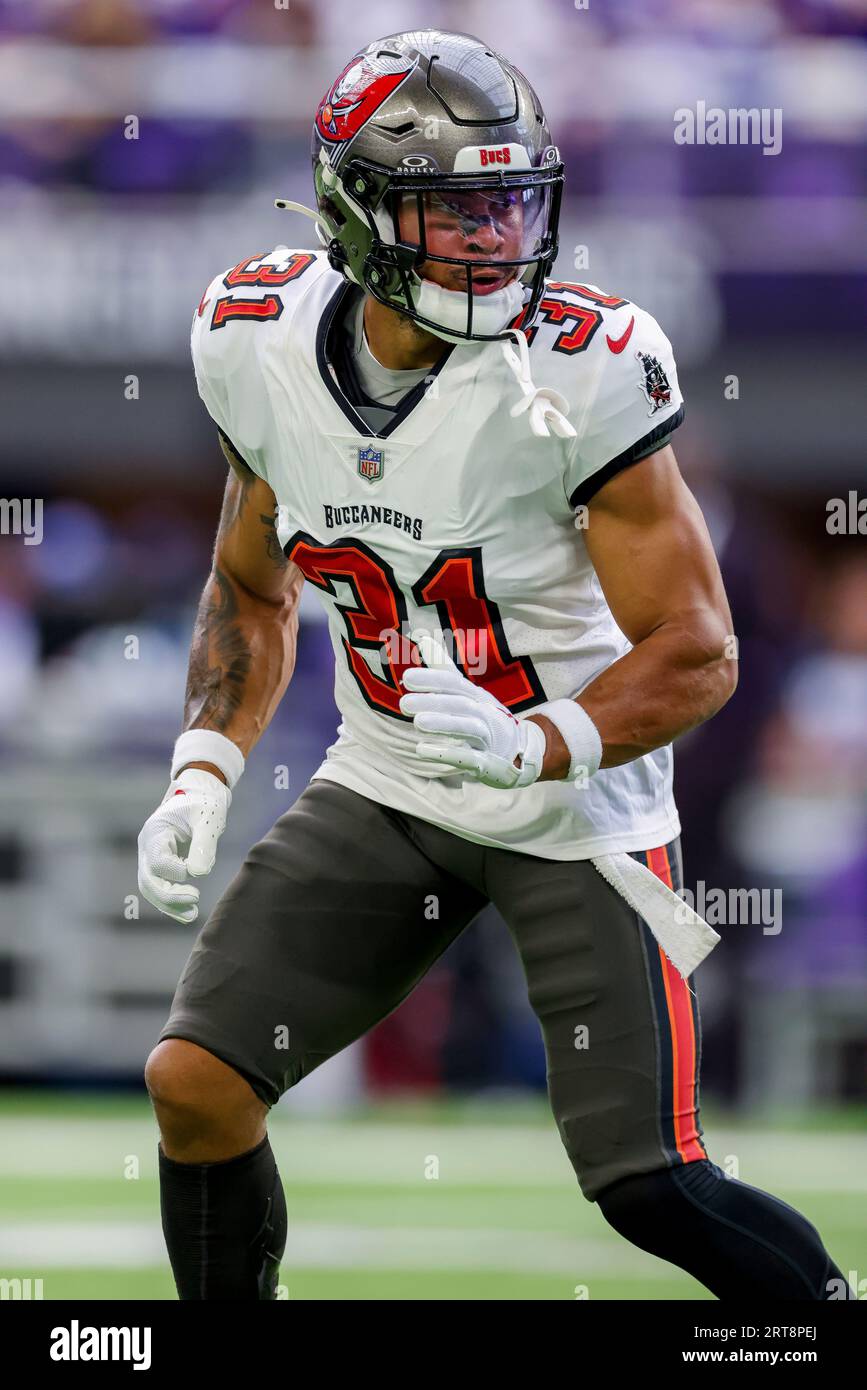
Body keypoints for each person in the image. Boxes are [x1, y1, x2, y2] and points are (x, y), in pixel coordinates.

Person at [138, 29, 852, 1300]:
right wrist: (201, 767)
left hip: (576, 805)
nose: (493, 237)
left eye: (510, 201)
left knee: (654, 1184)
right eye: (452, 208)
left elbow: (699, 648)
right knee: (196, 1082)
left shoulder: (581, 365)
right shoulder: (251, 337)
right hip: (393, 781)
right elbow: (253, 583)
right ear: (357, 211)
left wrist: (541, 739)